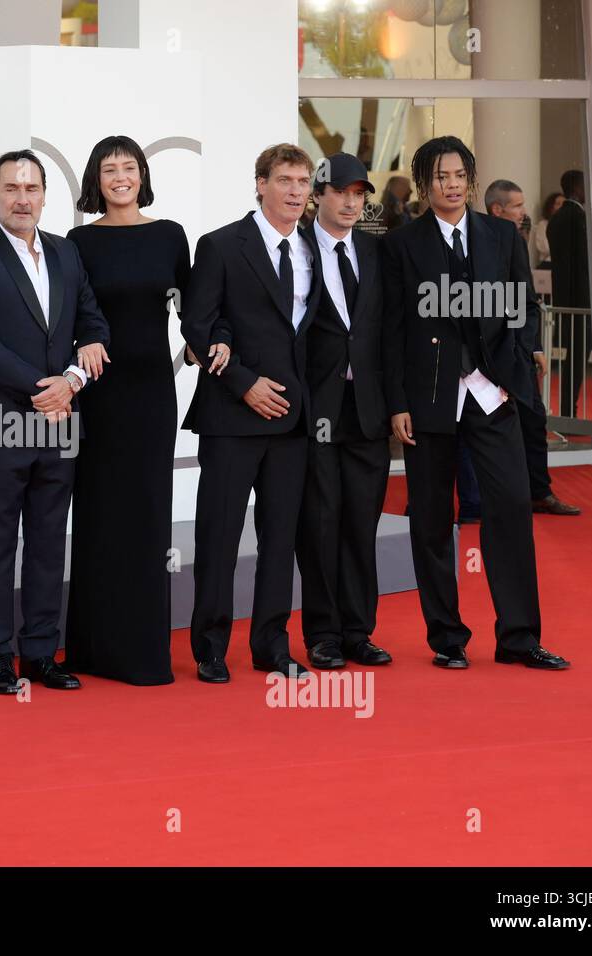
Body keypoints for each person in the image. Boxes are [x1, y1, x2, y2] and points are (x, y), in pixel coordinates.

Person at [383, 135, 569, 670]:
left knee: (510, 508)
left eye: (460, 175)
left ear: (471, 178)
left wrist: (522, 354)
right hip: (430, 398)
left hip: (493, 393)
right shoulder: (402, 245)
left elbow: (521, 305)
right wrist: (398, 402)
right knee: (433, 521)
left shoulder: (501, 235)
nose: (451, 184)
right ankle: (447, 639)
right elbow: (392, 330)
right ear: (425, 184)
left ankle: (519, 639)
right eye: (440, 176)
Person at [0, 149, 110, 694]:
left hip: (61, 418)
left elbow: (92, 323)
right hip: (1, 421)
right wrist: (46, 387)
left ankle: (40, 652)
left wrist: (74, 381)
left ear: (44, 195)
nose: (22, 198)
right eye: (11, 188)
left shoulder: (66, 253)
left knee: (46, 541)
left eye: (32, 188)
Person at [181, 143, 323, 682]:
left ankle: (271, 645)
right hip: (232, 416)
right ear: (260, 183)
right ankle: (211, 648)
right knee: (218, 535)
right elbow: (197, 324)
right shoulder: (220, 245)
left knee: (279, 538)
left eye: (303, 182)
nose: (294, 191)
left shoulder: (312, 249)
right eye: (284, 180)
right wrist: (243, 383)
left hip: (291, 420)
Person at [62, 135, 190, 686]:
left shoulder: (169, 235)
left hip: (152, 392)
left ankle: (142, 652)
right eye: (110, 168)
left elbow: (194, 308)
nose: (121, 177)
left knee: (146, 516)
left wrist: (221, 346)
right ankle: (91, 649)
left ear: (142, 175)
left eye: (130, 167)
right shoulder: (77, 241)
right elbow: (68, 315)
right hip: (98, 393)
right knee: (96, 515)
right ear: (96, 178)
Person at [296, 153, 393, 670]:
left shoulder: (376, 254)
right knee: (321, 523)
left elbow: (388, 334)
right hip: (317, 411)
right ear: (319, 195)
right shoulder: (296, 247)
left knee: (361, 523)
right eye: (340, 192)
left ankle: (359, 632)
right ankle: (323, 634)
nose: (351, 203)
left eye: (359, 194)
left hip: (368, 412)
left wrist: (397, 405)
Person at [484, 178, 580, 516]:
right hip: (489, 354)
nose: (525, 212)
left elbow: (523, 299)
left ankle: (538, 491)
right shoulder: (476, 241)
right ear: (498, 209)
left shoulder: (514, 238)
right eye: (518, 206)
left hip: (516, 349)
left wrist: (533, 345)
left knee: (532, 421)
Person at [547, 169, 590, 420]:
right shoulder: (578, 218)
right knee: (577, 359)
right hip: (581, 302)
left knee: (572, 358)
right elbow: (584, 264)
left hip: (564, 298)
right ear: (576, 187)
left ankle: (567, 410)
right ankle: (569, 411)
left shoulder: (557, 218)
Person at [532, 191, 563, 268]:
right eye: (558, 204)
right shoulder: (543, 224)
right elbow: (545, 248)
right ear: (551, 206)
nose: (562, 207)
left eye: (564, 204)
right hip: (548, 264)